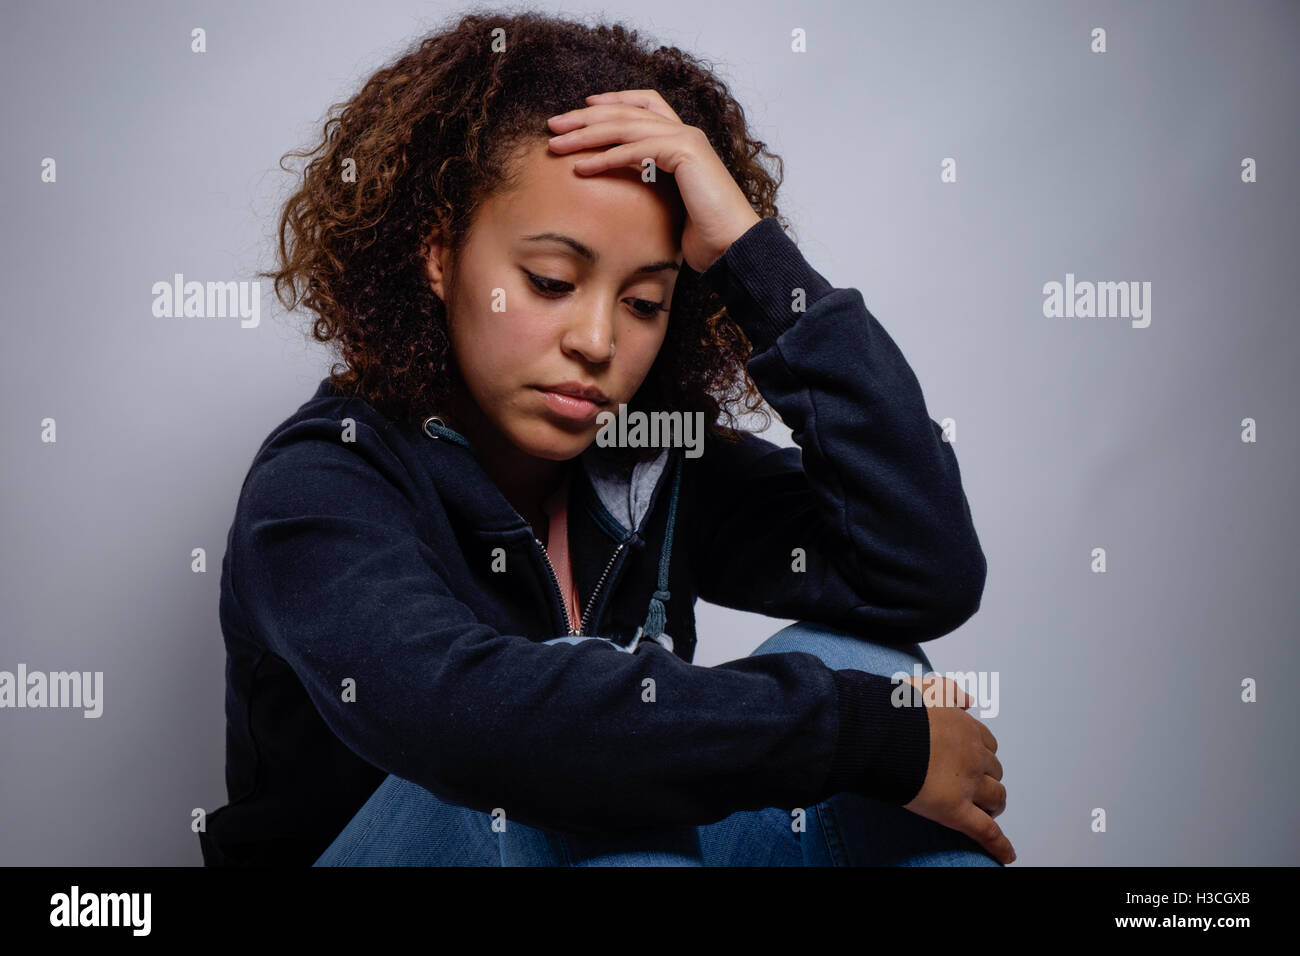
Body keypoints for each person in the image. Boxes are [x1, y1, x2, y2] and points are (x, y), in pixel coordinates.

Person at [200, 10, 1014, 867]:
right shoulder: (322, 484)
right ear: (438, 252)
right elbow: (471, 724)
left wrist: (755, 258)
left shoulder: (652, 452)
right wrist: (856, 732)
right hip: (433, 840)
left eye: (644, 302)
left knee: (863, 663)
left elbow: (923, 572)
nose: (597, 340)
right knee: (558, 781)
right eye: (551, 281)